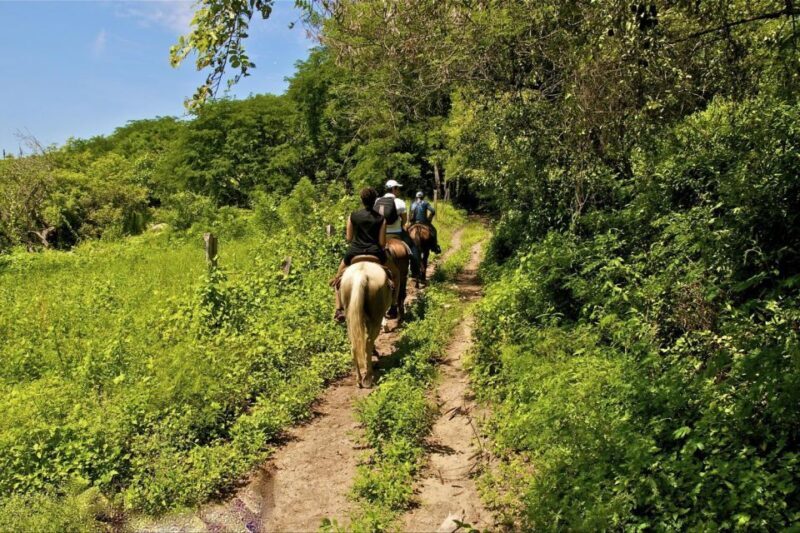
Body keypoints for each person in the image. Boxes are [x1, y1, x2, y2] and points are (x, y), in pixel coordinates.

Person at [332, 187, 387, 322]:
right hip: (375, 252)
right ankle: (393, 303)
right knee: (394, 273)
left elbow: (349, 238)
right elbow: (382, 242)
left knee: (338, 278)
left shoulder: (353, 216)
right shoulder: (381, 218)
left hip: (354, 252)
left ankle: (339, 309)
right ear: (375, 201)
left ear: (361, 200)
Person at [374, 179, 421, 276]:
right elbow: (404, 222)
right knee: (414, 245)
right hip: (396, 233)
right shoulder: (400, 202)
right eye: (398, 188)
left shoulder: (377, 201)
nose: (399, 191)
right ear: (394, 189)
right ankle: (415, 270)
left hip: (378, 234)